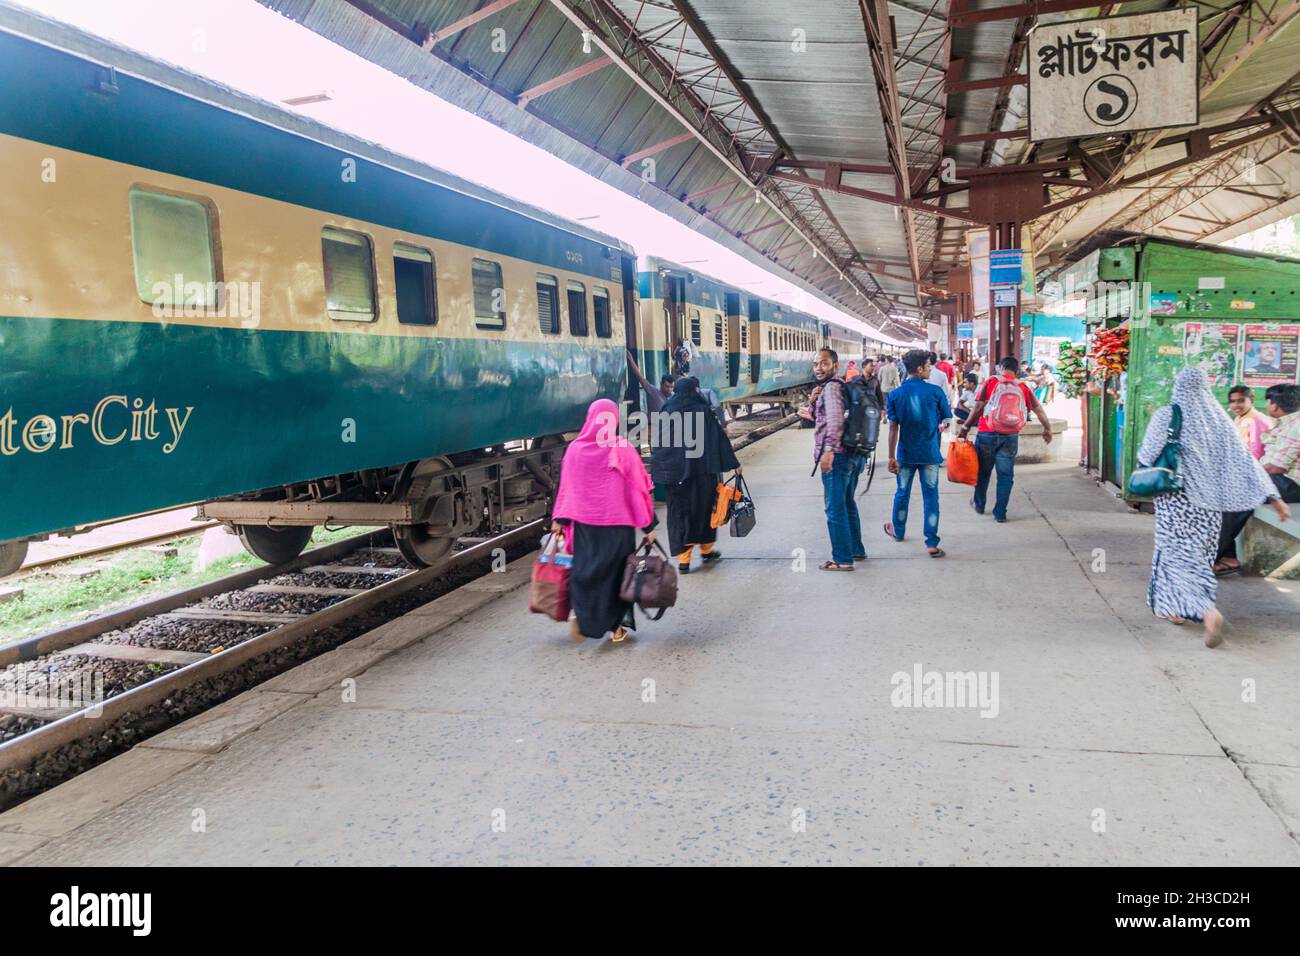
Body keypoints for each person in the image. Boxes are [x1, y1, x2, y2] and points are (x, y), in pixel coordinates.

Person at [1138, 368, 1290, 647]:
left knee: (1175, 556)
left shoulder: (1168, 415)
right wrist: (1273, 496)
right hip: (1210, 507)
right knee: (1198, 560)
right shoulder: (1219, 420)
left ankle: (1207, 613)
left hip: (1177, 502)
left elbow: (1146, 455)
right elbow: (1246, 460)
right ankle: (1172, 608)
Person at [551, 399, 657, 644]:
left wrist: (560, 520)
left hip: (585, 527)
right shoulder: (622, 448)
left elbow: (568, 489)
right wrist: (648, 526)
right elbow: (638, 490)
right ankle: (616, 627)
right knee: (617, 575)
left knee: (586, 572)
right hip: (618, 529)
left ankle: (586, 617)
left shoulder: (575, 450)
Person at [652, 377, 740, 574]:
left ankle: (684, 561)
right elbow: (719, 439)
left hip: (676, 477)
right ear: (694, 391)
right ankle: (706, 550)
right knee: (705, 511)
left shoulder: (668, 410)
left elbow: (660, 445)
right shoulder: (703, 410)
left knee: (679, 515)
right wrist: (734, 464)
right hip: (703, 473)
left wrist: (661, 471)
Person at [1215, 383, 1300, 575]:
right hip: (1280, 479)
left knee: (1237, 492)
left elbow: (1276, 466)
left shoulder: (1295, 426)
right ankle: (1226, 556)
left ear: (1274, 405)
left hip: (1291, 483)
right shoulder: (1287, 423)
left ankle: (1213, 557)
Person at [958, 355, 1053, 523]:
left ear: (1001, 368)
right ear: (1016, 371)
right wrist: (1048, 429)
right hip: (1009, 435)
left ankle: (979, 505)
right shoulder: (1022, 386)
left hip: (987, 432)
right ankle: (1000, 513)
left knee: (983, 472)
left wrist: (965, 428)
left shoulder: (992, 381)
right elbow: (1039, 410)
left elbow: (978, 407)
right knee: (1005, 475)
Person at [799, 348, 866, 570]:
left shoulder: (832, 388)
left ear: (835, 366)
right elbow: (823, 418)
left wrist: (828, 451)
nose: (819, 368)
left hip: (837, 457)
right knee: (847, 504)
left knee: (834, 508)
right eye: (816, 364)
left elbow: (836, 422)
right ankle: (855, 550)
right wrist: (812, 403)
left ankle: (842, 559)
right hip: (849, 455)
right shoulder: (830, 388)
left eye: (824, 363)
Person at [883, 349, 952, 558]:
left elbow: (893, 428)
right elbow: (945, 420)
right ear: (920, 368)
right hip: (930, 454)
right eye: (929, 367)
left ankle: (898, 530)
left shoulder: (895, 395)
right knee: (931, 496)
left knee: (902, 493)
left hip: (906, 454)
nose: (931, 370)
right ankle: (931, 542)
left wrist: (891, 457)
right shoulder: (935, 392)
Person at [1227, 384, 1273, 461]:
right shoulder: (1239, 417)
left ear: (1252, 401)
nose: (1235, 405)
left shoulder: (1257, 421)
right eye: (1232, 401)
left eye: (1241, 401)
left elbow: (1256, 452)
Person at [626, 349, 674, 415]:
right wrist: (631, 361)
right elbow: (640, 378)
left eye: (671, 387)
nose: (669, 389)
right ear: (661, 384)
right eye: (667, 386)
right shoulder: (654, 392)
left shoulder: (674, 396)